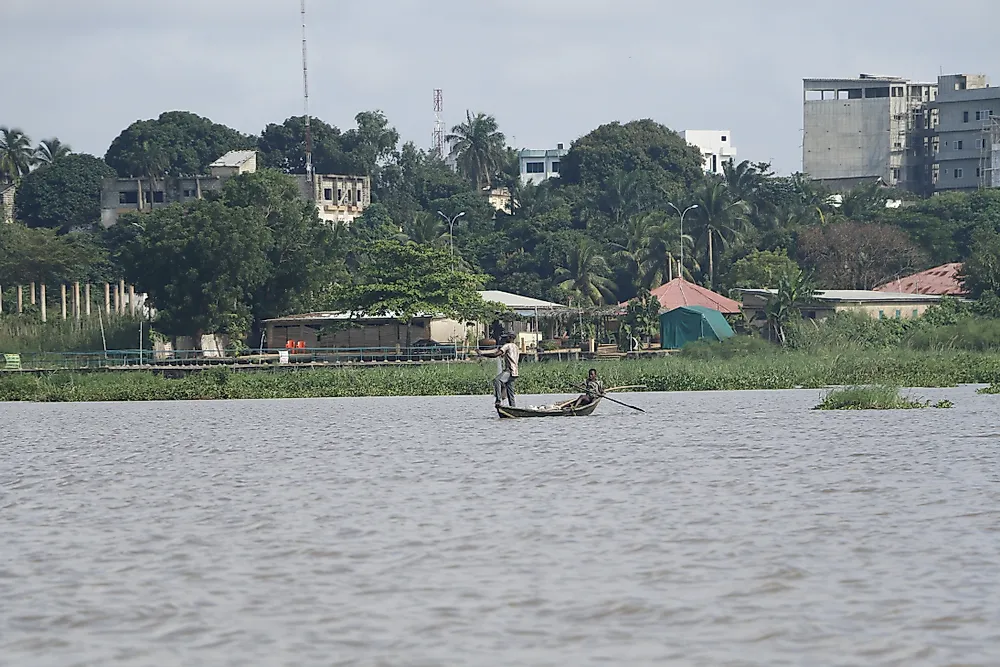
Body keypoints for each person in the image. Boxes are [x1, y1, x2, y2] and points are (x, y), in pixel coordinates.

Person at [480, 333, 520, 407]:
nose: (505, 339)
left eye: (506, 337)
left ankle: (498, 400)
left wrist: (482, 354)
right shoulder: (516, 347)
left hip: (509, 370)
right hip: (515, 372)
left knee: (497, 380)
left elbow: (496, 354)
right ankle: (513, 408)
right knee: (510, 392)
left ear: (510, 338)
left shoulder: (507, 345)